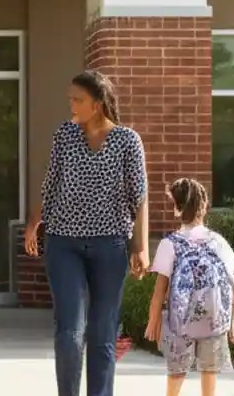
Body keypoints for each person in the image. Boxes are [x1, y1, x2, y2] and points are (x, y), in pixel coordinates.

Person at [24, 69, 150, 396]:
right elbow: (51, 181)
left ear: (97, 104)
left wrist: (140, 246)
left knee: (102, 333)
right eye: (70, 99)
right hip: (63, 243)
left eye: (77, 100)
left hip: (110, 246)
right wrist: (34, 221)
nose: (72, 105)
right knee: (69, 331)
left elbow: (140, 196)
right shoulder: (65, 133)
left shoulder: (127, 140)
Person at [145, 178, 234, 396]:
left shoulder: (170, 244)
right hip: (215, 321)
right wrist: (233, 323)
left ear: (177, 208)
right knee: (209, 372)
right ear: (205, 206)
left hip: (181, 323)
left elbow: (160, 290)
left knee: (177, 373)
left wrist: (153, 321)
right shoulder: (218, 241)